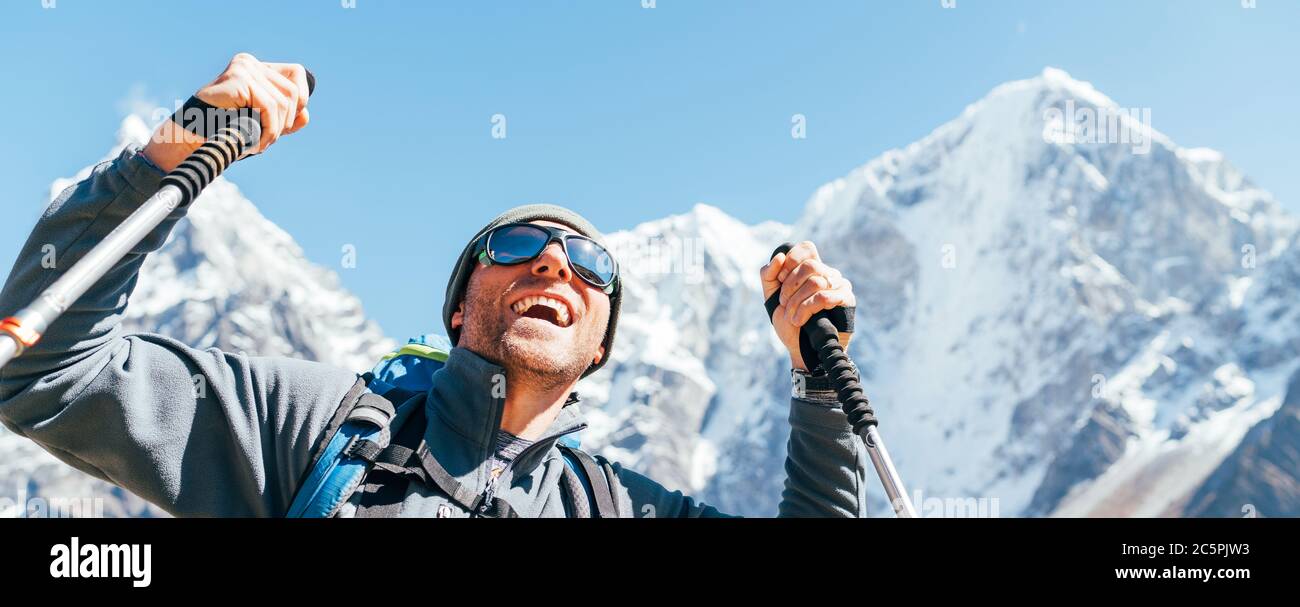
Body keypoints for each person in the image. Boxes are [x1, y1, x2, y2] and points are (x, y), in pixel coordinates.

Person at [0, 53, 866, 517]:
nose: (554, 261)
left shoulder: (615, 505)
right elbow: (47, 375)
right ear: (458, 310)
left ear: (601, 345)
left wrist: (818, 379)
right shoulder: (315, 430)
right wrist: (175, 151)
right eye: (518, 245)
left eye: (587, 264)